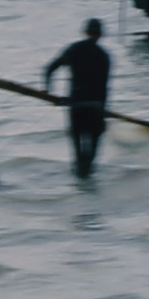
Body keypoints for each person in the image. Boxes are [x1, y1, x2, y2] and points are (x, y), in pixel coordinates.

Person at [43, 18, 114, 180]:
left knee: (77, 155)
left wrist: (48, 91)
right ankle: (89, 190)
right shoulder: (103, 56)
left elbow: (49, 69)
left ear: (85, 32)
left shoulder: (74, 49)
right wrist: (103, 116)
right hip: (95, 107)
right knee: (91, 158)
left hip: (76, 106)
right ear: (100, 35)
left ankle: (79, 187)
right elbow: (104, 89)